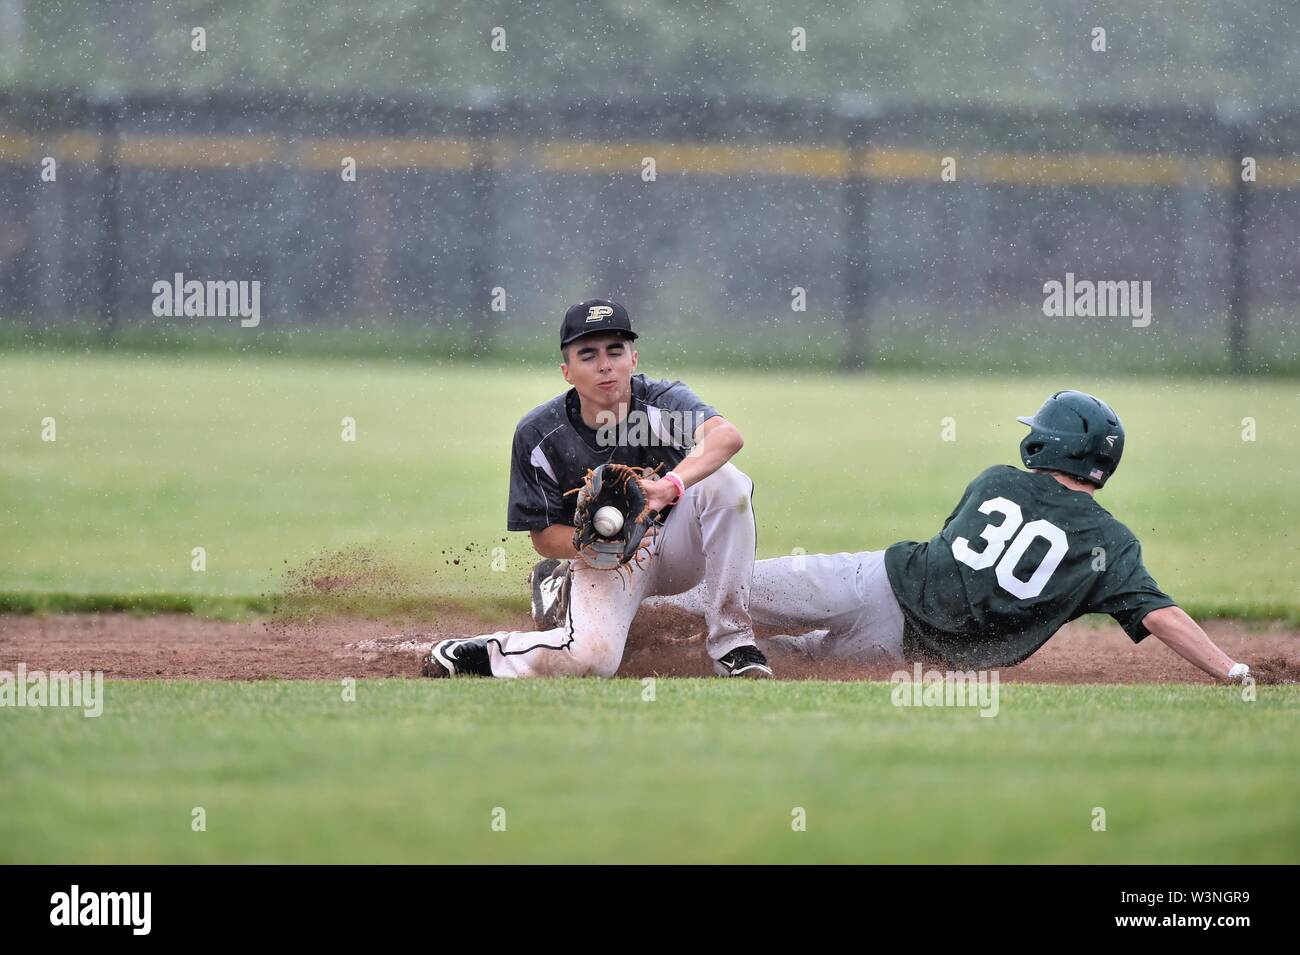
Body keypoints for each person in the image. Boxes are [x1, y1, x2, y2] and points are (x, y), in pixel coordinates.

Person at [645, 390, 1252, 682]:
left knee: (736, 595)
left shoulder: (996, 480)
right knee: (792, 663)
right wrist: (1228, 669)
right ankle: (660, 664)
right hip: (909, 649)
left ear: (1045, 444)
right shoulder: (1111, 546)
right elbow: (1162, 615)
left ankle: (625, 621)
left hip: (877, 579)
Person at [420, 299, 772, 679]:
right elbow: (543, 536)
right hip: (606, 560)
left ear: (633, 360)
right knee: (593, 660)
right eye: (588, 355)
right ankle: (480, 653)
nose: (605, 364)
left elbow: (726, 437)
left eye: (615, 351)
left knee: (728, 482)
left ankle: (734, 644)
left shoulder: (662, 402)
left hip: (676, 542)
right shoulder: (539, 435)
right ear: (567, 371)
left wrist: (670, 485)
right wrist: (588, 545)